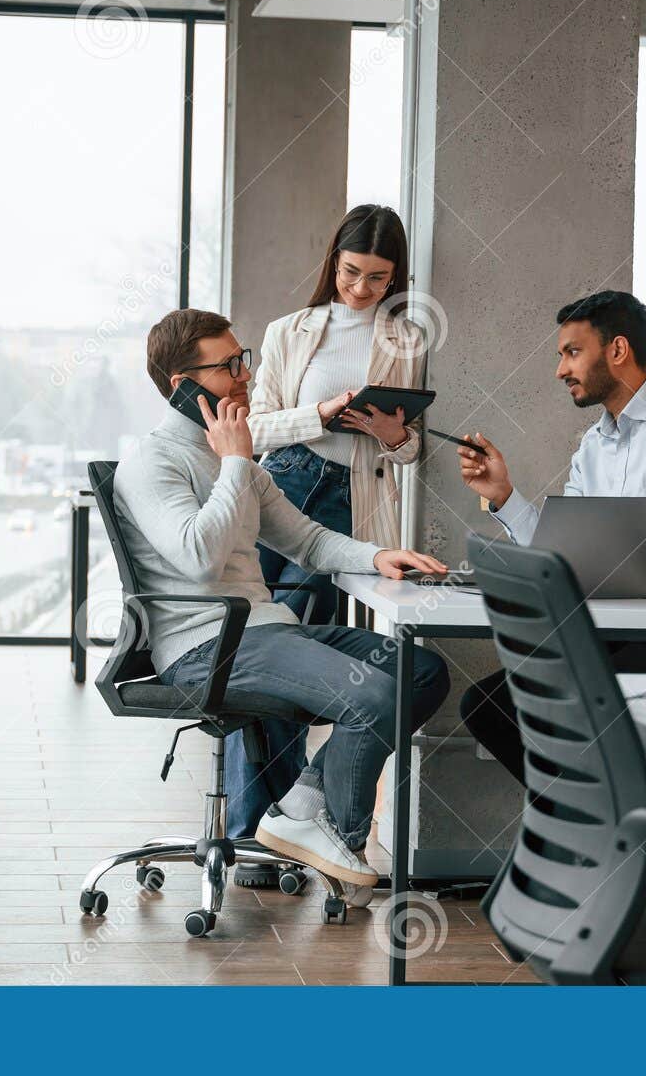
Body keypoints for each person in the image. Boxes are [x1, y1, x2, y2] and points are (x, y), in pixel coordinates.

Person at [112, 308, 451, 894]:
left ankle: (302, 806)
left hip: (265, 630)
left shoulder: (227, 455)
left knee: (419, 670)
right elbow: (199, 556)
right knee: (372, 693)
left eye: (243, 360)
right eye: (228, 366)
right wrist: (238, 462)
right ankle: (334, 831)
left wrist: (376, 556)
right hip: (208, 647)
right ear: (182, 385)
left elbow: (307, 539)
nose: (245, 375)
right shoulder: (155, 461)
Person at [454, 290, 646, 784]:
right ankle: (608, 834)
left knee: (556, 711)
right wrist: (505, 496)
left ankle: (622, 836)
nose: (560, 370)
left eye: (572, 352)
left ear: (617, 351)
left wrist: (629, 561)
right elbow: (563, 552)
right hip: (617, 632)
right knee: (489, 708)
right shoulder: (594, 445)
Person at [226, 205, 428, 881]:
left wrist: (390, 431)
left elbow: (409, 452)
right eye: (350, 273)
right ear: (332, 262)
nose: (360, 289)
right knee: (256, 657)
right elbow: (251, 428)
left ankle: (300, 819)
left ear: (396, 276)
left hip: (350, 501)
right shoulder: (291, 330)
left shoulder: (405, 338)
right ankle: (252, 836)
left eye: (377, 278)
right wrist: (317, 413)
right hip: (283, 487)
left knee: (309, 667)